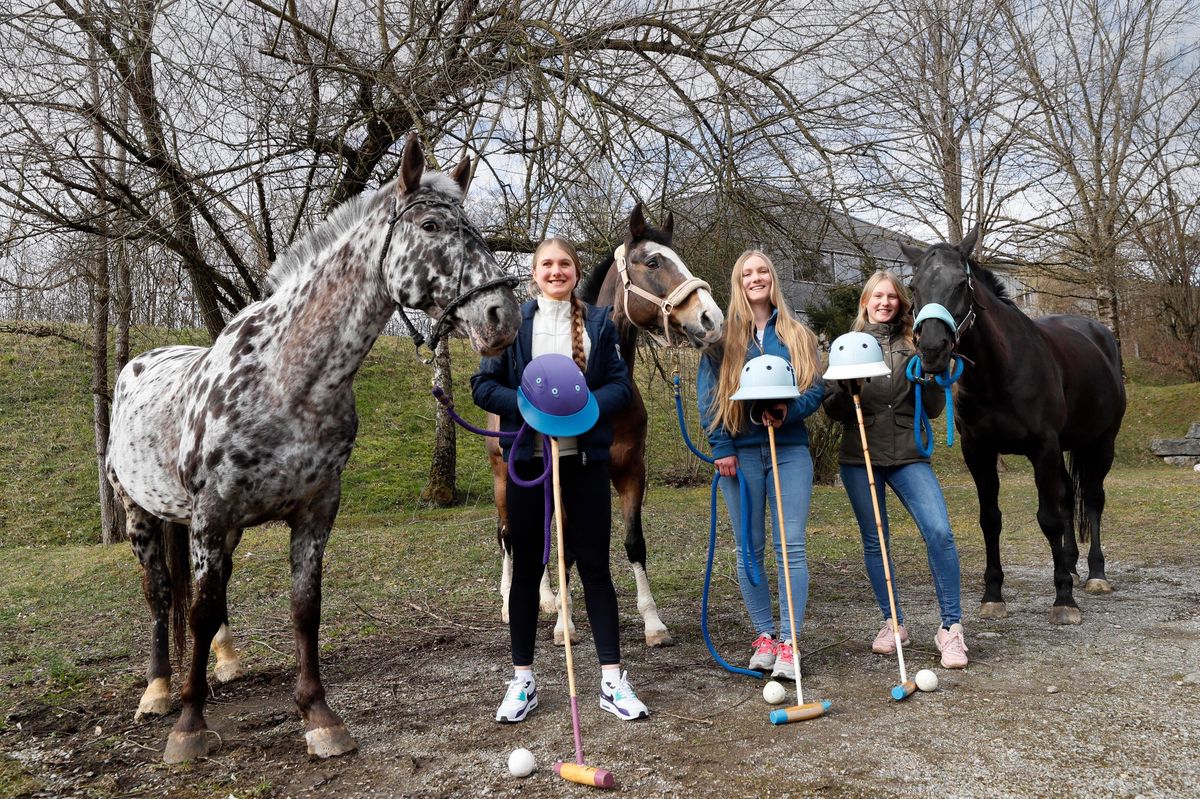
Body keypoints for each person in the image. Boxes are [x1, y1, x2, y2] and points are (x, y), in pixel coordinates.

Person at [471, 236, 649, 723]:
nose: (556, 271)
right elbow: (482, 386)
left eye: (564, 264)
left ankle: (612, 681)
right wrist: (528, 409)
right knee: (528, 570)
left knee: (595, 567)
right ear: (534, 272)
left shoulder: (596, 323)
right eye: (546, 264)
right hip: (528, 464)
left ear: (575, 271)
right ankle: (522, 681)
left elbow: (619, 385)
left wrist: (586, 409)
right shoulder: (512, 322)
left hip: (584, 461)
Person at [821, 270, 969, 668]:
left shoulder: (916, 344)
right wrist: (845, 391)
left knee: (939, 532)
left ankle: (950, 628)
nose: (884, 303)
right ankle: (893, 623)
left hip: (909, 455)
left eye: (891, 297)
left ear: (901, 303)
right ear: (865, 302)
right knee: (876, 540)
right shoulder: (848, 346)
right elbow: (832, 409)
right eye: (877, 296)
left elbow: (935, 409)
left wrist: (936, 375)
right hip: (861, 456)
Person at [697, 250, 825, 680]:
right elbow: (708, 396)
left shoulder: (797, 333)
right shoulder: (722, 337)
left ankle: (790, 641)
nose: (756, 278)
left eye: (763, 271)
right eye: (747, 273)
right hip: (740, 454)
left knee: (790, 543)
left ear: (773, 278)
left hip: (787, 449)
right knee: (747, 547)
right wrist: (720, 447)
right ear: (738, 282)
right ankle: (764, 636)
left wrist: (789, 412)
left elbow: (814, 387)